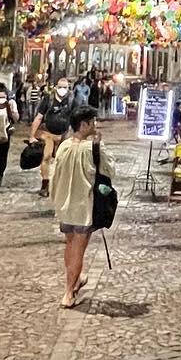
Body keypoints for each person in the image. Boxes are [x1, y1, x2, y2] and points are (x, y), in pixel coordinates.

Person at [50, 104, 99, 308]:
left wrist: (55, 198)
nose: (95, 125)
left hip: (65, 205)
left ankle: (75, 280)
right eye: (93, 122)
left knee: (70, 245)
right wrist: (98, 146)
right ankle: (69, 292)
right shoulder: (90, 149)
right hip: (83, 205)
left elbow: (55, 174)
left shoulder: (64, 146)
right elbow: (108, 170)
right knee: (78, 249)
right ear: (84, 125)